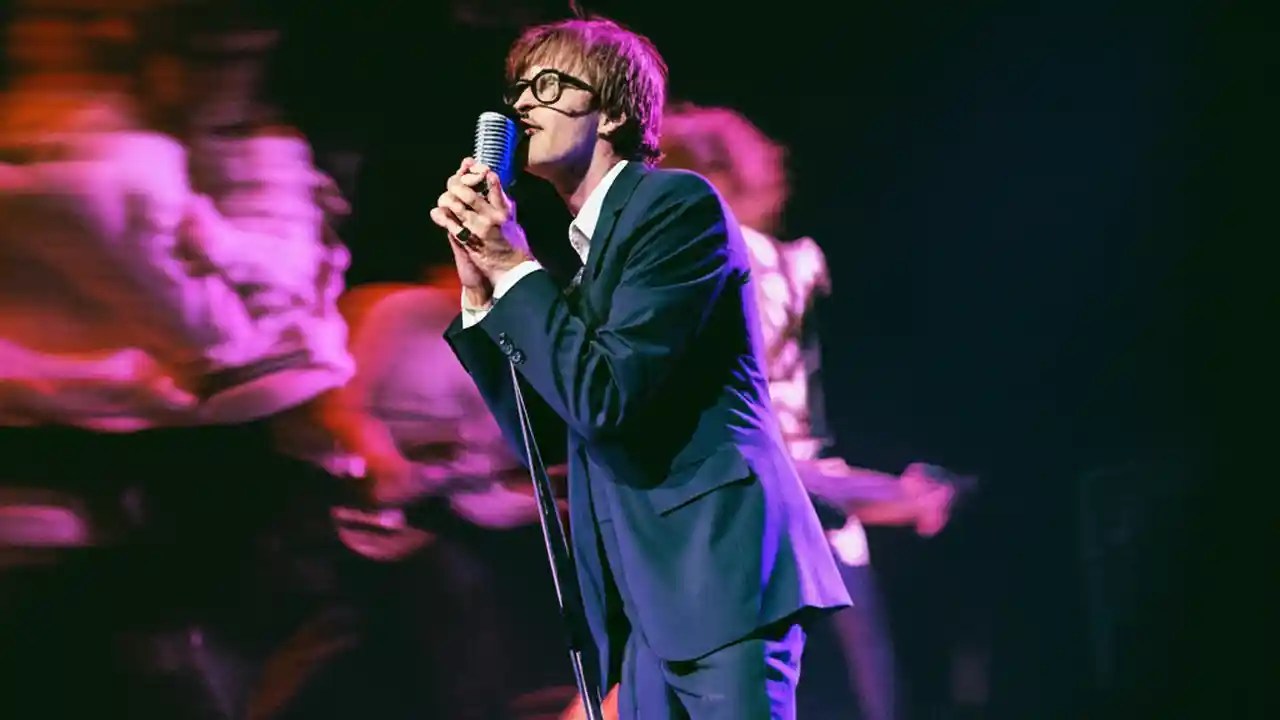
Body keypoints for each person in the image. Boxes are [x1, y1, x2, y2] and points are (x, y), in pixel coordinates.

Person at [429, 16, 850, 719]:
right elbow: (549, 430)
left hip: (717, 572)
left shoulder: (676, 206)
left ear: (616, 111)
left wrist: (514, 266)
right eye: (518, 90)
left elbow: (604, 395)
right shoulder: (590, 262)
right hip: (651, 601)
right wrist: (482, 290)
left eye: (549, 84)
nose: (523, 105)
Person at [659, 102, 962, 720]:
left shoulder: (734, 261)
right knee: (857, 679)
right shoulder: (776, 262)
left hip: (758, 495)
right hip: (783, 489)